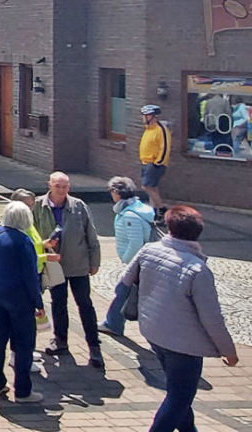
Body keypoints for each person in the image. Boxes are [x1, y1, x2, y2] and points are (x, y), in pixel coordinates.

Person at [121, 206, 238, 432]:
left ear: (170, 227)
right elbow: (212, 317)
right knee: (179, 398)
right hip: (184, 344)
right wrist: (228, 351)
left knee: (178, 392)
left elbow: (125, 280)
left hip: (154, 333)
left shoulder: (149, 250)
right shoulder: (197, 269)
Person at [34, 170, 103, 368]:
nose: (62, 190)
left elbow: (91, 234)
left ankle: (94, 347)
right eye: (58, 186)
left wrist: (95, 261)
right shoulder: (38, 206)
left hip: (78, 264)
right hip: (54, 265)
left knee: (85, 304)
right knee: (58, 303)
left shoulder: (79, 206)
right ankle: (60, 340)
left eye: (65, 187)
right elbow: (33, 234)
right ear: (49, 185)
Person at [0, 202, 46, 403]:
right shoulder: (24, 241)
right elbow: (30, 276)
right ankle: (23, 391)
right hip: (19, 298)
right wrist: (38, 302)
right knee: (24, 342)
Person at [100, 176, 154, 337]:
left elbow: (136, 243)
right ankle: (113, 323)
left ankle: (113, 324)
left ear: (117, 192)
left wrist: (126, 260)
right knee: (126, 293)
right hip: (141, 263)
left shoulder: (130, 215)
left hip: (136, 264)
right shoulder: (139, 208)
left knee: (123, 291)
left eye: (112, 191)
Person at [139, 104, 171, 213]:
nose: (143, 118)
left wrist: (158, 162)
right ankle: (154, 212)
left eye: (145, 115)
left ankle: (162, 209)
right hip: (146, 162)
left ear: (152, 116)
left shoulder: (160, 129)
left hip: (154, 164)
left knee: (146, 186)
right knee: (153, 188)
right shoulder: (148, 129)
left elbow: (165, 147)